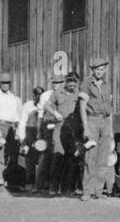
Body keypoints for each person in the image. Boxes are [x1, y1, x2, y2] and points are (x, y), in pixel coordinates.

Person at [38, 73, 81, 195]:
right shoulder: (57, 94)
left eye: (74, 83)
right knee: (58, 156)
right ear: (66, 83)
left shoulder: (78, 94)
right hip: (59, 127)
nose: (72, 85)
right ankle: (53, 187)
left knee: (71, 159)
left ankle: (67, 188)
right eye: (70, 83)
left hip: (73, 129)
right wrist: (55, 113)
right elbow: (46, 106)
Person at [79, 57, 114, 200]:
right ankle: (87, 191)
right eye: (97, 69)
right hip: (92, 119)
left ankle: (98, 191)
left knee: (103, 157)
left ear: (105, 70)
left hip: (105, 121)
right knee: (90, 157)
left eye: (102, 69)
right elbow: (82, 106)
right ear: (92, 70)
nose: (100, 72)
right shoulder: (86, 83)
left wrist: (111, 128)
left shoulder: (107, 84)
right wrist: (85, 127)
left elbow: (110, 107)